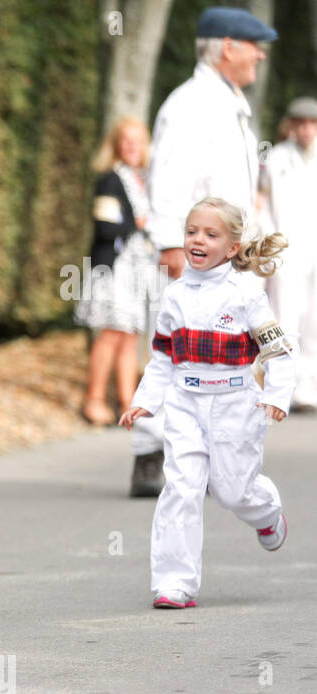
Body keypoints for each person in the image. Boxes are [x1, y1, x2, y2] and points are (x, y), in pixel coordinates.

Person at [129, 5, 276, 497]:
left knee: (217, 352)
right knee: (175, 347)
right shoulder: (191, 103)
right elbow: (169, 176)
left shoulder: (227, 104)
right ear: (228, 46)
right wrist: (172, 242)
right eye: (255, 44)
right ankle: (150, 454)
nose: (260, 54)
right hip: (191, 254)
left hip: (222, 257)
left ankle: (203, 455)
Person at [119, 198, 292, 610]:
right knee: (182, 487)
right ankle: (173, 583)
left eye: (210, 234)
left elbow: (277, 352)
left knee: (232, 491)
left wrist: (276, 395)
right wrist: (146, 400)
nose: (198, 240)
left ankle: (266, 513)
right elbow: (162, 355)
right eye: (192, 231)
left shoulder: (246, 294)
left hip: (236, 403)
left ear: (232, 248)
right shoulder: (175, 295)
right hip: (185, 404)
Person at [76, 117, 158, 425]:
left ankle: (127, 403)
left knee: (131, 336)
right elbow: (105, 225)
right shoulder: (110, 179)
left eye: (138, 141)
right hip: (114, 268)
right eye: (126, 140)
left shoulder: (144, 179)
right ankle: (93, 400)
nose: (132, 147)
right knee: (110, 333)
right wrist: (135, 224)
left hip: (139, 269)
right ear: (116, 145)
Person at [258, 97, 317, 411]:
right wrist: (271, 246)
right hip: (285, 248)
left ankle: (309, 388)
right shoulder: (276, 157)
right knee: (283, 317)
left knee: (314, 318)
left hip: (315, 248)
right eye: (302, 123)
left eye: (312, 123)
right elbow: (263, 204)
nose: (307, 130)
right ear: (292, 126)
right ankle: (281, 385)